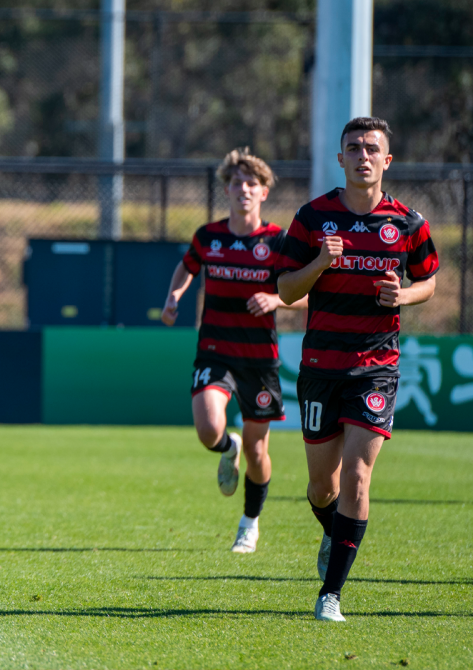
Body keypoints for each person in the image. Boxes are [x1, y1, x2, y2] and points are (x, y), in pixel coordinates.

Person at [276, 117, 439, 622]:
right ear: (341, 159)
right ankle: (336, 533)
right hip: (322, 364)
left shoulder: (409, 224)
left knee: (358, 479)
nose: (363, 155)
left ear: (386, 161)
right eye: (353, 148)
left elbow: (428, 280)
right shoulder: (312, 217)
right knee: (322, 487)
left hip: (377, 366)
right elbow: (285, 290)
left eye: (372, 148)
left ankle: (330, 594)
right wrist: (320, 263)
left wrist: (404, 294)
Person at [161, 147, 306, 553]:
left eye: (252, 184)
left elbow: (309, 292)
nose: (243, 189)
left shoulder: (278, 241)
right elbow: (187, 267)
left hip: (259, 357)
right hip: (214, 350)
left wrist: (276, 301)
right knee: (209, 428)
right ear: (226, 189)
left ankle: (250, 522)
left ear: (263, 193)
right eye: (236, 182)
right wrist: (174, 297)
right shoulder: (209, 236)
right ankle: (229, 446)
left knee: (260, 451)